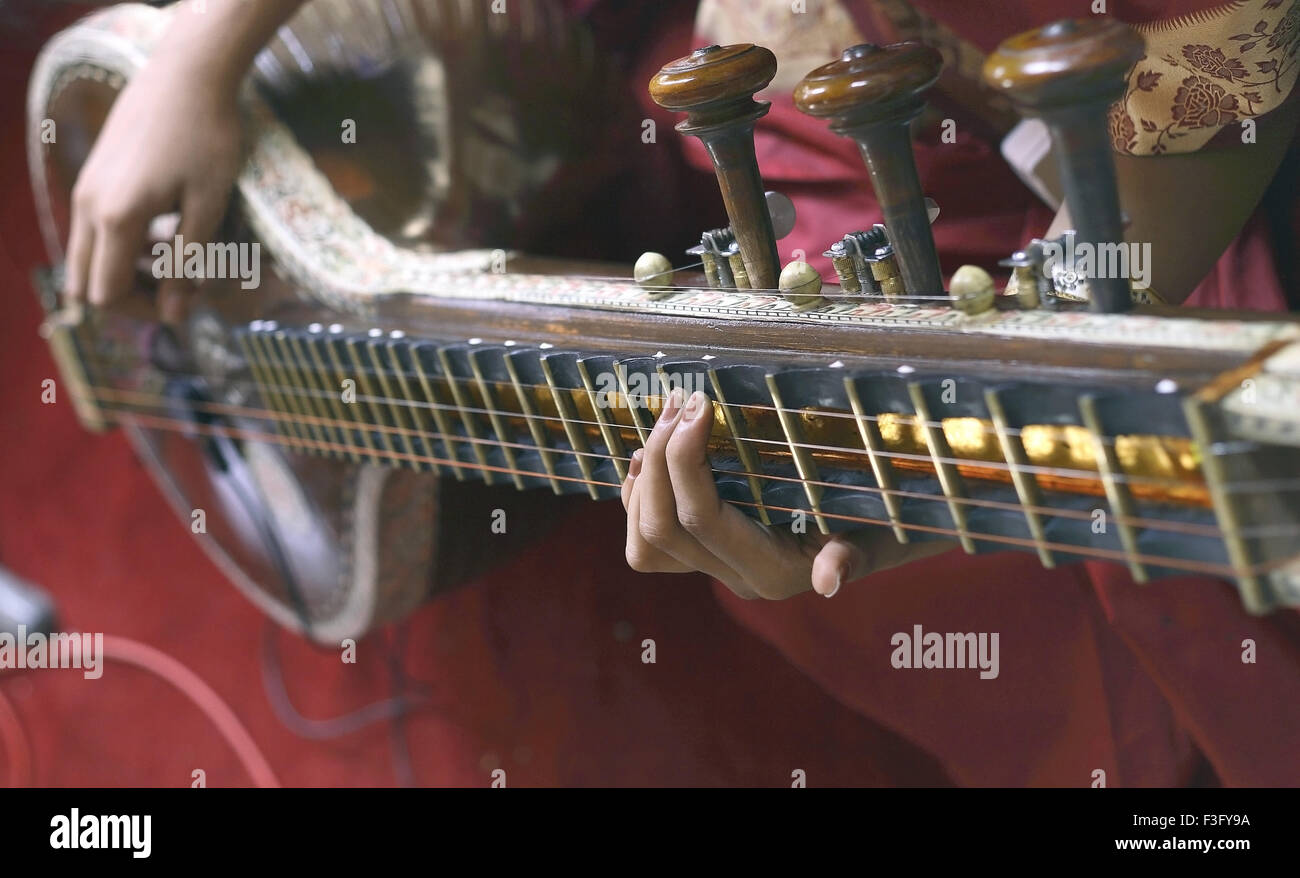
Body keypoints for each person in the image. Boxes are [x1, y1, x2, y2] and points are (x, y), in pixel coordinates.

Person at [63, 0, 1300, 785]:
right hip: (834, 52)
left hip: (1156, 101)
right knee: (767, 513)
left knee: (1164, 528)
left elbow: (1137, 245)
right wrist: (200, 52)